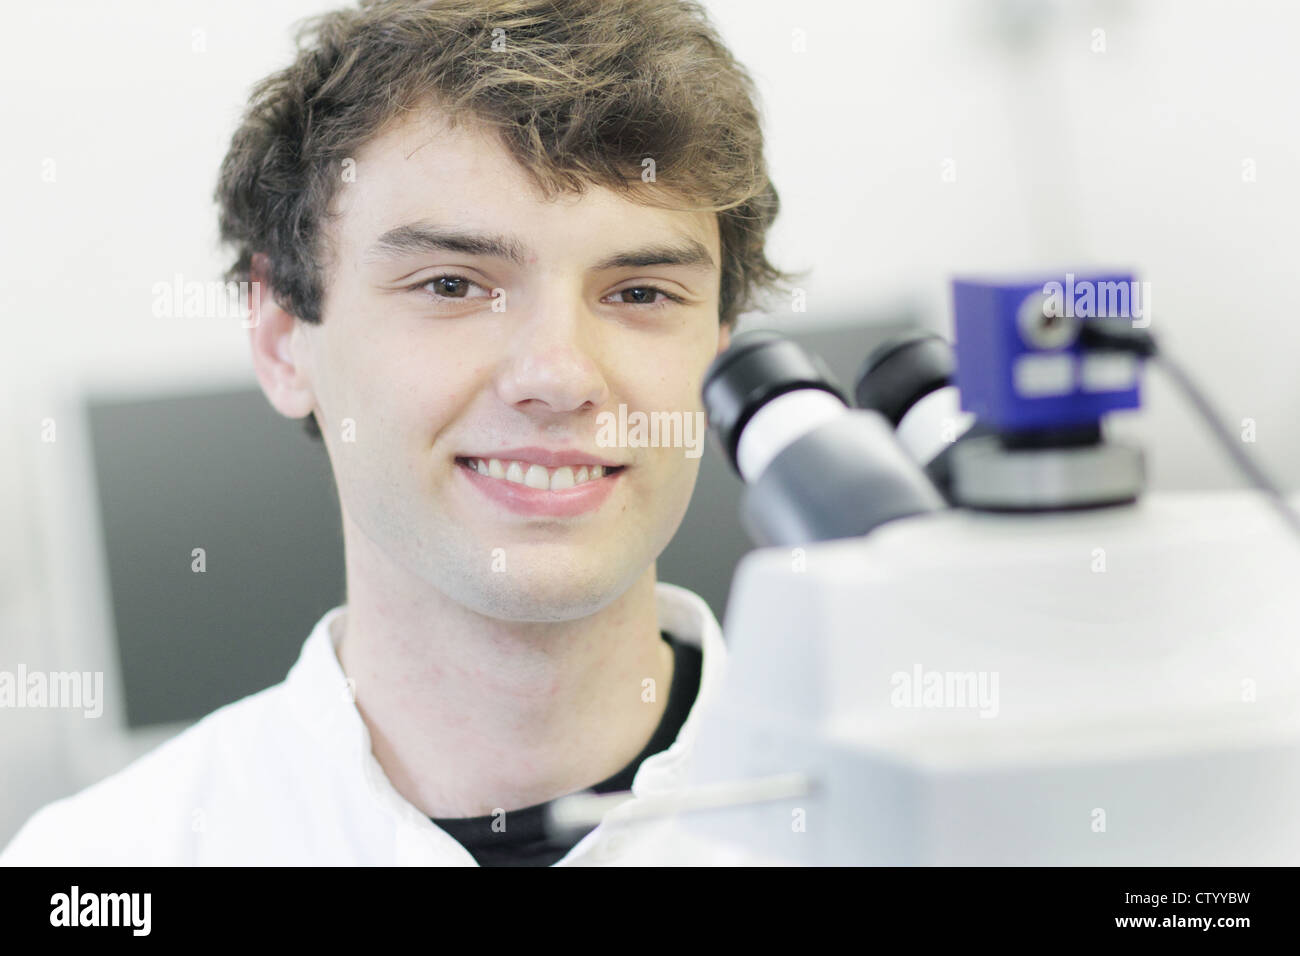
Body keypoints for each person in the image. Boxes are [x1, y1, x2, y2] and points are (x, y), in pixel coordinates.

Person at [1, 0, 790, 865]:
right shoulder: (100, 865)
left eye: (640, 293)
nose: (560, 375)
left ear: (716, 352)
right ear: (280, 337)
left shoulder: (923, 820)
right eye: (452, 285)